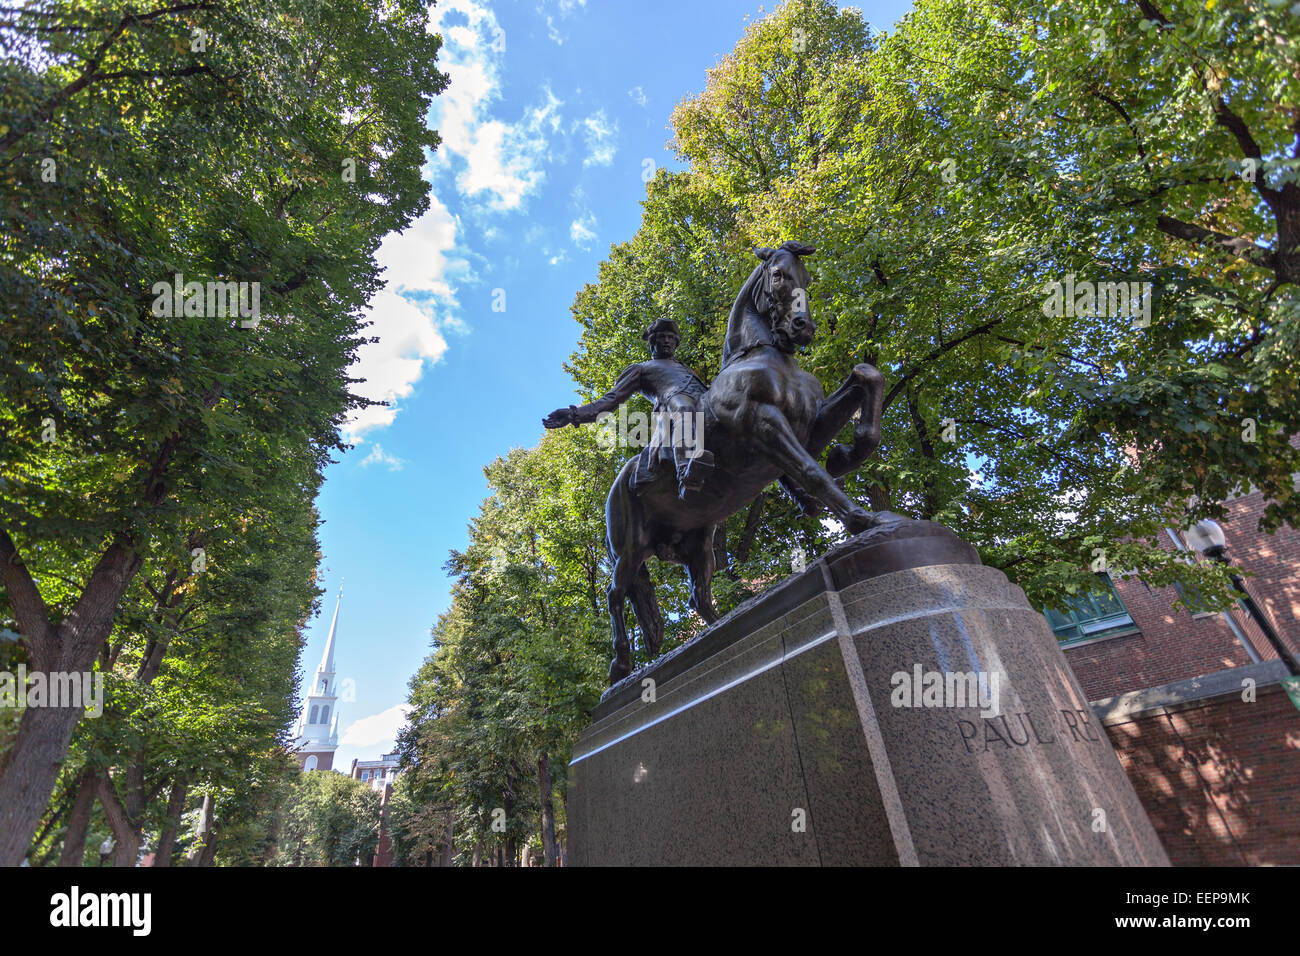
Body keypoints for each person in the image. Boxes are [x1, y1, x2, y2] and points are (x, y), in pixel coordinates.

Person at [543, 318, 714, 497]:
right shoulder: (641, 369)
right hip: (673, 407)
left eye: (671, 337)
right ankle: (686, 472)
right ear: (652, 342)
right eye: (662, 337)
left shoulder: (684, 368)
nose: (667, 341)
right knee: (684, 409)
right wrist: (573, 414)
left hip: (703, 401)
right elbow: (611, 399)